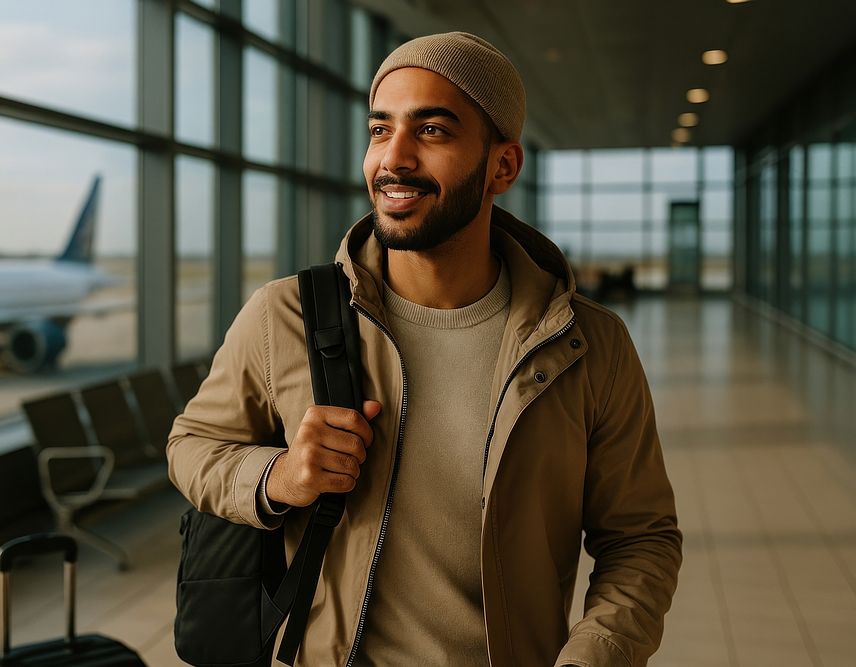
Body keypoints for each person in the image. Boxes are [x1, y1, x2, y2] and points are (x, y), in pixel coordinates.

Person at [168, 31, 681, 667]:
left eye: (432, 131)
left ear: (503, 166)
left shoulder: (588, 344)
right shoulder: (288, 315)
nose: (395, 159)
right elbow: (191, 448)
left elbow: (640, 538)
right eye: (380, 130)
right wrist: (279, 476)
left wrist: (594, 656)